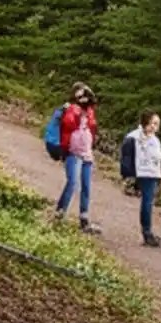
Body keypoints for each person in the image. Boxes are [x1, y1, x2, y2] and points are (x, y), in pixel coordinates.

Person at [55, 82, 101, 234]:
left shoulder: (89, 110)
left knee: (86, 186)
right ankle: (60, 214)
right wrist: (77, 108)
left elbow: (93, 125)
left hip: (86, 151)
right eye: (80, 94)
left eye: (85, 94)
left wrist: (89, 106)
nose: (83, 97)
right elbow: (68, 124)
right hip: (72, 151)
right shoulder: (70, 108)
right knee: (73, 182)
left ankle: (84, 218)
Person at [125, 110, 161, 247]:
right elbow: (154, 155)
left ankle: (147, 231)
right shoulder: (146, 138)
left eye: (157, 124)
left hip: (145, 172)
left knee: (147, 202)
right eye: (153, 123)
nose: (155, 127)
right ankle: (147, 232)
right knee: (147, 202)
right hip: (148, 172)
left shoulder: (135, 135)